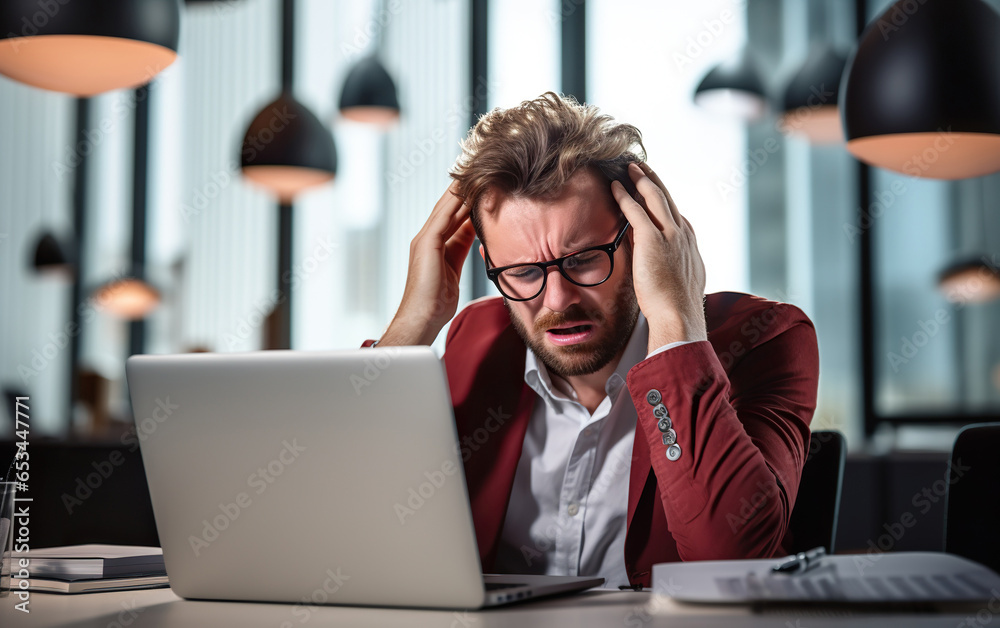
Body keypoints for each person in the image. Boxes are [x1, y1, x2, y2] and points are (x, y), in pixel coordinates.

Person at [369, 92, 819, 588]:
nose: (557, 300)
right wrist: (414, 324)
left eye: (583, 260)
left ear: (642, 240)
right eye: (522, 272)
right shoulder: (476, 340)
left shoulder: (764, 338)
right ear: (491, 267)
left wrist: (675, 325)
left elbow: (732, 557)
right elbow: (350, 517)